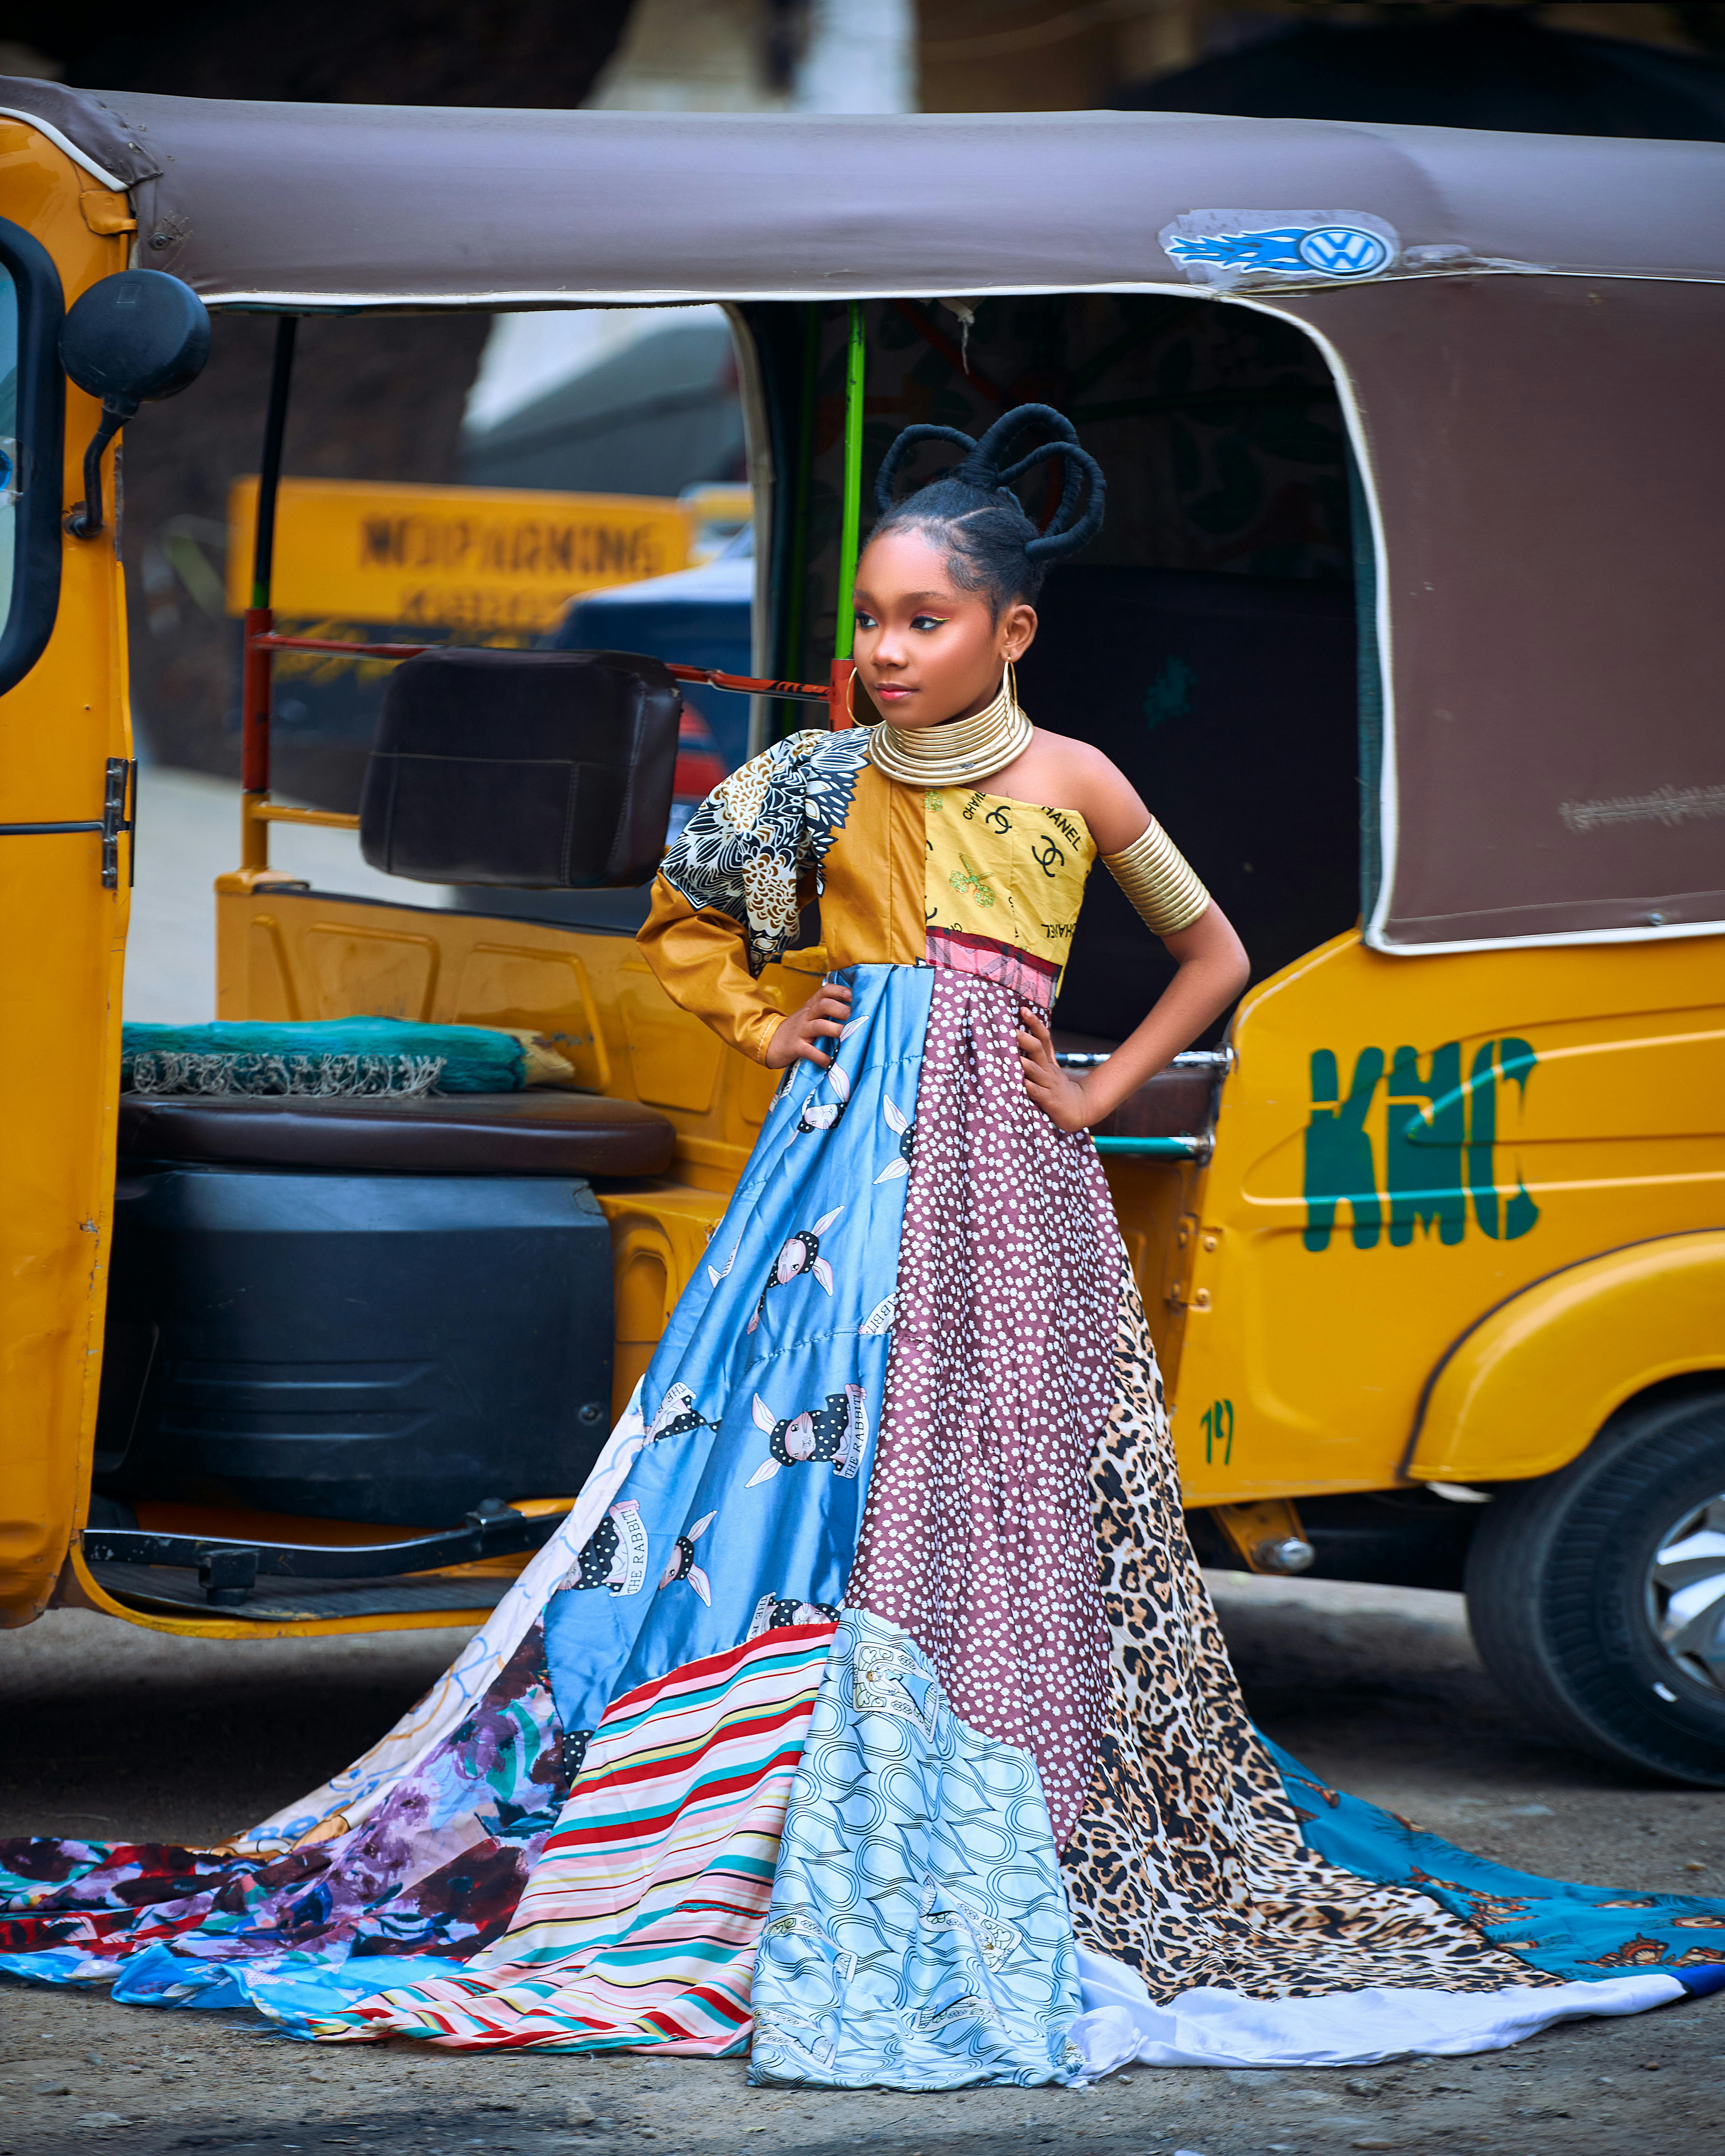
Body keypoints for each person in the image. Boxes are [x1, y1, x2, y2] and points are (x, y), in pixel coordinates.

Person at [3, 406, 1721, 2080]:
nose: (889, 653)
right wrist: (764, 1022)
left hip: (1015, 1174)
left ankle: (1008, 1763)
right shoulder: (812, 785)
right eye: (874, 624)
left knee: (1006, 1464)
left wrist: (1090, 1091)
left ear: (1011, 628)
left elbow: (1216, 955)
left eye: (926, 621)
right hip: (833, 1175)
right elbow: (683, 918)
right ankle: (762, 1755)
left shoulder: (1077, 779)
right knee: (785, 1438)